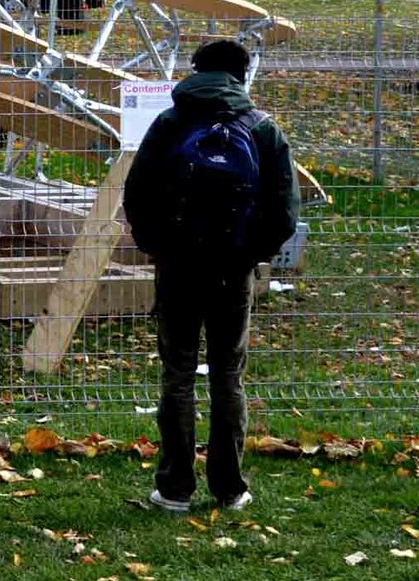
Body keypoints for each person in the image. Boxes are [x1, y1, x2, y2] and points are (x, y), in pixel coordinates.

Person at [123, 39, 301, 515]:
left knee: (177, 374)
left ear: (195, 71)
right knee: (228, 375)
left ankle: (175, 487)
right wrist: (249, 255)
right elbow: (284, 214)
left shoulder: (170, 123)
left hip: (177, 265)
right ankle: (229, 487)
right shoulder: (263, 130)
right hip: (232, 270)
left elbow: (136, 194)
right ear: (242, 76)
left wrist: (158, 247)